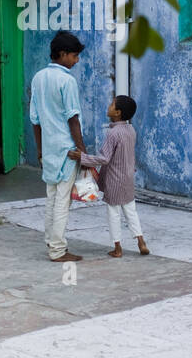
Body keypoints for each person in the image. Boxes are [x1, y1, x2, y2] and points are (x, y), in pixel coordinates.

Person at [30, 30, 86, 262]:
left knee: (52, 199)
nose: (76, 60)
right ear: (62, 54)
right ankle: (57, 250)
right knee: (62, 202)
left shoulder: (38, 77)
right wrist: (82, 150)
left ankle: (51, 242)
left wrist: (40, 150)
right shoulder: (67, 80)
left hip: (50, 150)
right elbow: (73, 118)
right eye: (74, 55)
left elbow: (35, 119)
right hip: (67, 150)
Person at [69, 94, 148, 258]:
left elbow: (104, 158)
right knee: (131, 211)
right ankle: (141, 242)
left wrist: (82, 157)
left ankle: (117, 248)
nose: (109, 106)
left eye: (112, 104)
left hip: (114, 179)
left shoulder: (113, 133)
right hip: (127, 178)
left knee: (114, 213)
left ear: (117, 112)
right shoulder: (130, 130)